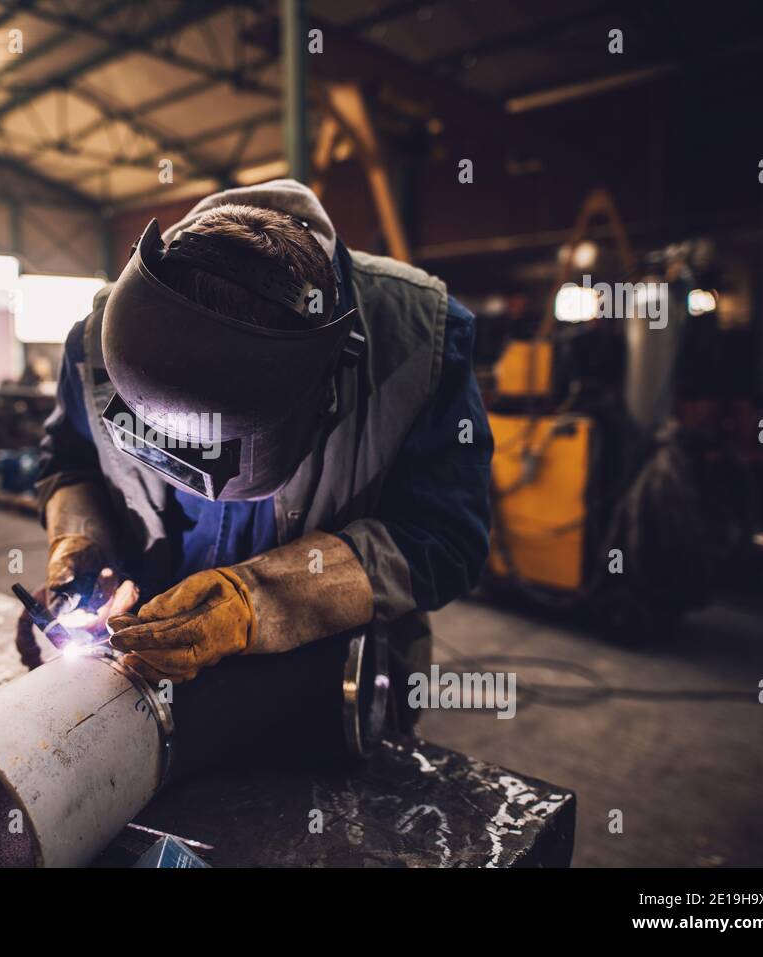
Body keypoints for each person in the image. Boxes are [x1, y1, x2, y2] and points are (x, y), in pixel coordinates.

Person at [24, 179, 493, 732]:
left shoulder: (422, 338)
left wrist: (260, 600)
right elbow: (70, 460)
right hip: (137, 685)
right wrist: (79, 540)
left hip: (323, 695)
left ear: (327, 383)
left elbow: (446, 538)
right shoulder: (94, 337)